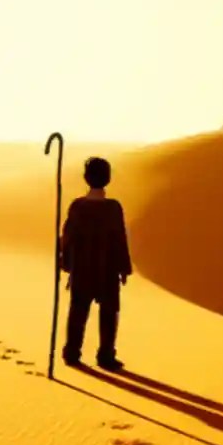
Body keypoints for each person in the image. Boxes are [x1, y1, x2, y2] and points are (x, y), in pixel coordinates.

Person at [60, 157, 132, 370]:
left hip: (82, 270)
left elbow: (68, 237)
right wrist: (123, 268)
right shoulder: (113, 208)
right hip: (107, 271)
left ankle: (72, 352)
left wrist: (64, 261)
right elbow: (120, 239)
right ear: (108, 178)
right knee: (109, 313)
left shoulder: (77, 207)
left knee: (78, 311)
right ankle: (106, 355)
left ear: (86, 178)